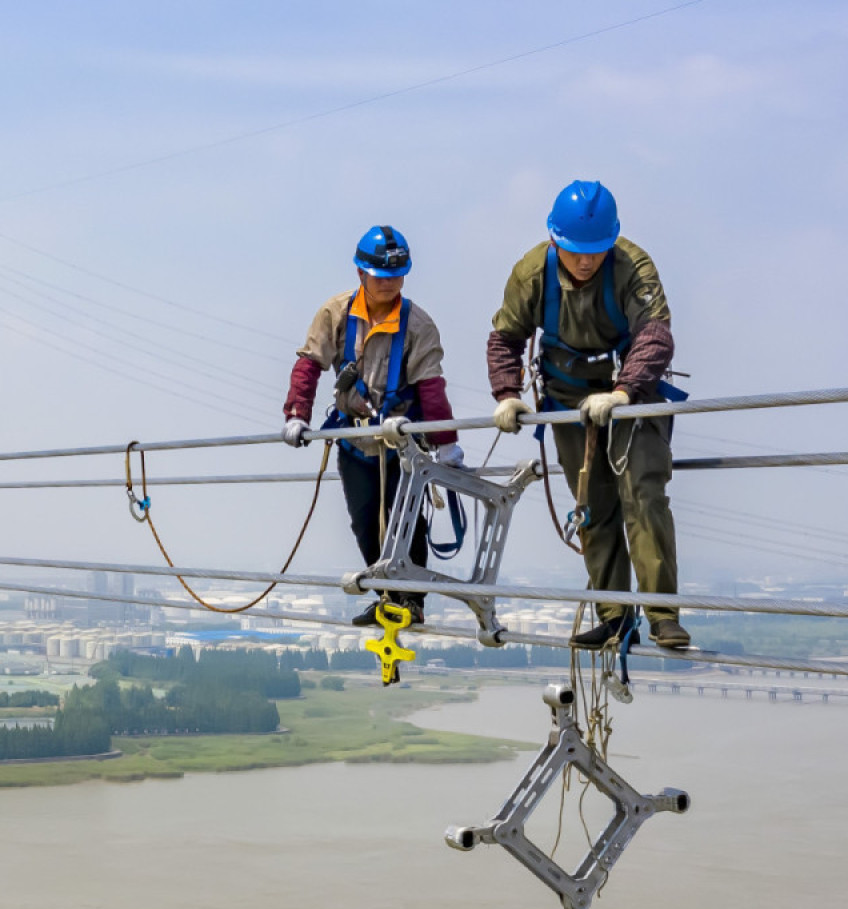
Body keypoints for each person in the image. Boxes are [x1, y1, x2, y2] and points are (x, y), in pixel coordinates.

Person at [484, 181, 689, 649]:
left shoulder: (632, 267)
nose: (585, 261)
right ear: (556, 240)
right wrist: (507, 393)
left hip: (630, 391)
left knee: (643, 492)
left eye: (595, 252)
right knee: (592, 508)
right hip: (567, 397)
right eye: (576, 251)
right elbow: (505, 338)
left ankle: (662, 616)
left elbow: (655, 335)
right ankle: (615, 617)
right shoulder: (532, 272)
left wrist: (622, 391)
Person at [282, 226, 461, 626]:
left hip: (402, 443)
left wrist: (446, 444)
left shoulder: (417, 325)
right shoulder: (337, 314)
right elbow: (309, 363)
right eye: (380, 276)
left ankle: (411, 603)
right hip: (354, 439)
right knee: (365, 522)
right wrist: (298, 414)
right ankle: (386, 597)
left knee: (406, 522)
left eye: (396, 275)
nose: (388, 284)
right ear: (361, 273)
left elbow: (431, 386)